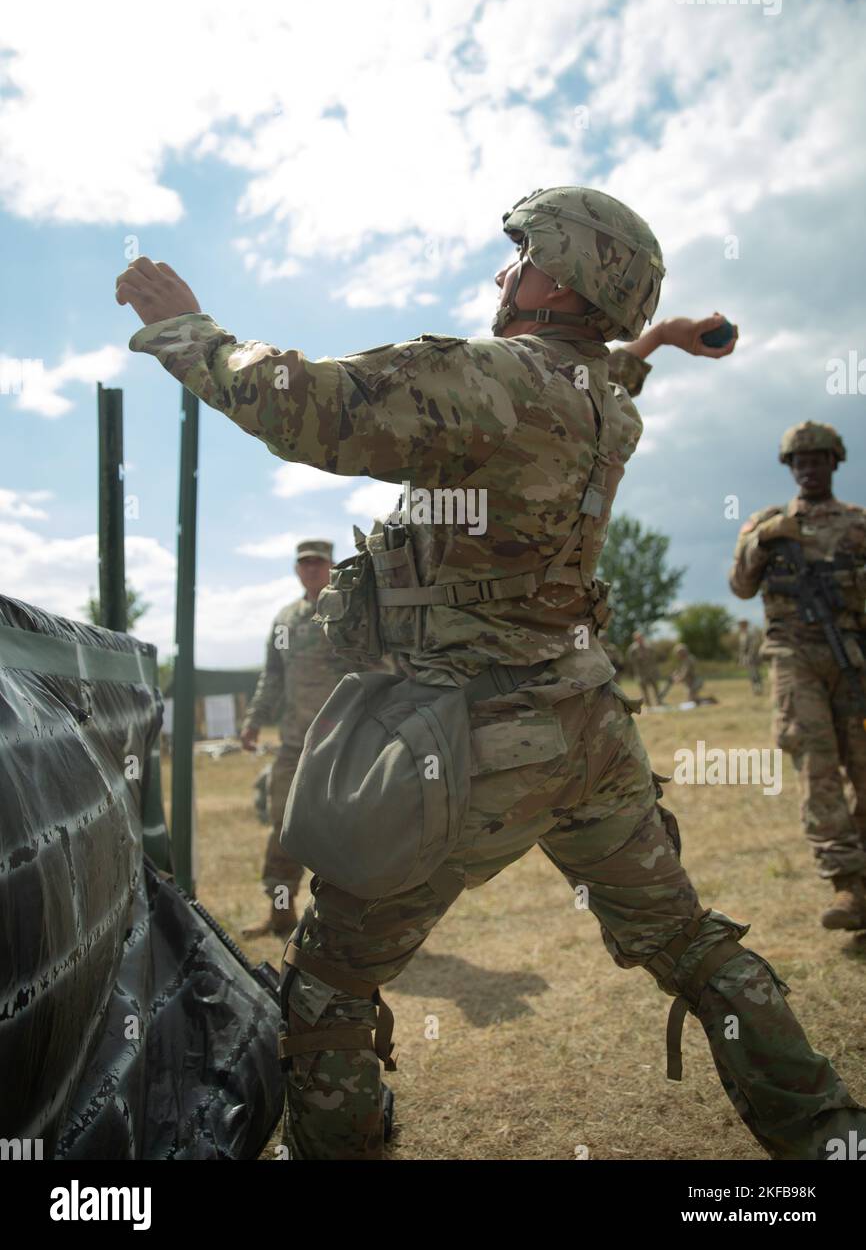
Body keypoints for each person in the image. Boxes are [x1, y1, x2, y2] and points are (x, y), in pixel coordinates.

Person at [117, 186, 865, 1162]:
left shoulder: (491, 380)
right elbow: (614, 374)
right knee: (685, 942)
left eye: (518, 254)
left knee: (330, 982)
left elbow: (306, 406)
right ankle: (828, 1135)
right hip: (586, 726)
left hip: (464, 740)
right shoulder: (601, 408)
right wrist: (664, 338)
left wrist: (187, 331)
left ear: (558, 273)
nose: (501, 270)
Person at [730, 422, 866, 930]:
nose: (809, 468)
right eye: (800, 461)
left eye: (819, 459)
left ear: (836, 462)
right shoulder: (768, 522)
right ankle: (847, 886)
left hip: (854, 658)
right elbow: (741, 586)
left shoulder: (858, 524)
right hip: (794, 659)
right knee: (817, 767)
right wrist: (761, 542)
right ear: (790, 468)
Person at [239, 540, 347, 938]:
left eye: (318, 563)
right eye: (305, 564)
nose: (312, 570)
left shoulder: (349, 611)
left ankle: (343, 924)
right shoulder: (286, 620)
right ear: (296, 570)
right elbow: (273, 674)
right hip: (293, 744)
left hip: (343, 742)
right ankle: (280, 913)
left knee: (344, 829)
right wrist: (253, 720)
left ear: (332, 566)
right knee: (284, 827)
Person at [625, 632, 663, 705]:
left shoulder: (649, 646)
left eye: (641, 637)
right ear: (635, 639)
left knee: (656, 688)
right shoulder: (632, 649)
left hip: (651, 671)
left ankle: (659, 702)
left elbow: (654, 657)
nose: (640, 639)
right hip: (641, 673)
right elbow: (629, 660)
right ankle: (648, 704)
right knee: (644, 690)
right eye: (638, 638)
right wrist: (638, 658)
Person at [737, 618, 764, 695]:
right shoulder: (742, 634)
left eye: (742, 624)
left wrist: (750, 655)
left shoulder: (750, 633)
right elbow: (741, 648)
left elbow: (753, 645)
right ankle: (754, 689)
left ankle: (759, 688)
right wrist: (741, 658)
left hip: (752, 657)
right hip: (746, 657)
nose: (740, 625)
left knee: (755, 673)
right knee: (751, 674)